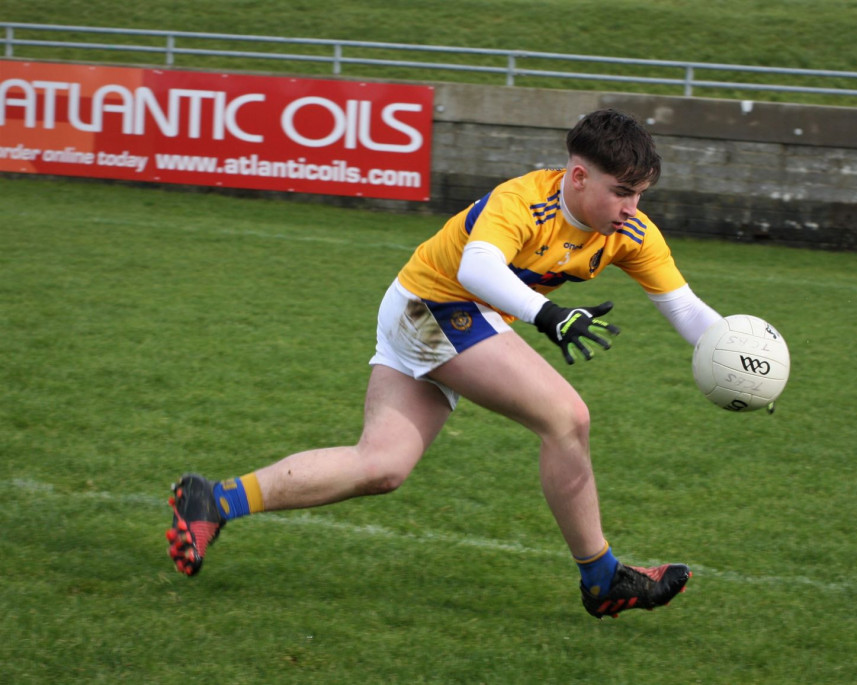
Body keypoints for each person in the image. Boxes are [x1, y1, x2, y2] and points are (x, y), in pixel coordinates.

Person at [166, 108, 723, 619]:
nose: (632, 209)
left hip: (439, 312)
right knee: (566, 417)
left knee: (381, 466)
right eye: (621, 192)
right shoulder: (524, 201)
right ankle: (602, 578)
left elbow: (683, 307)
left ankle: (212, 501)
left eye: (640, 195)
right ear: (578, 176)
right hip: (434, 306)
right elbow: (478, 269)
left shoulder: (628, 231)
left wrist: (734, 352)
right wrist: (549, 315)